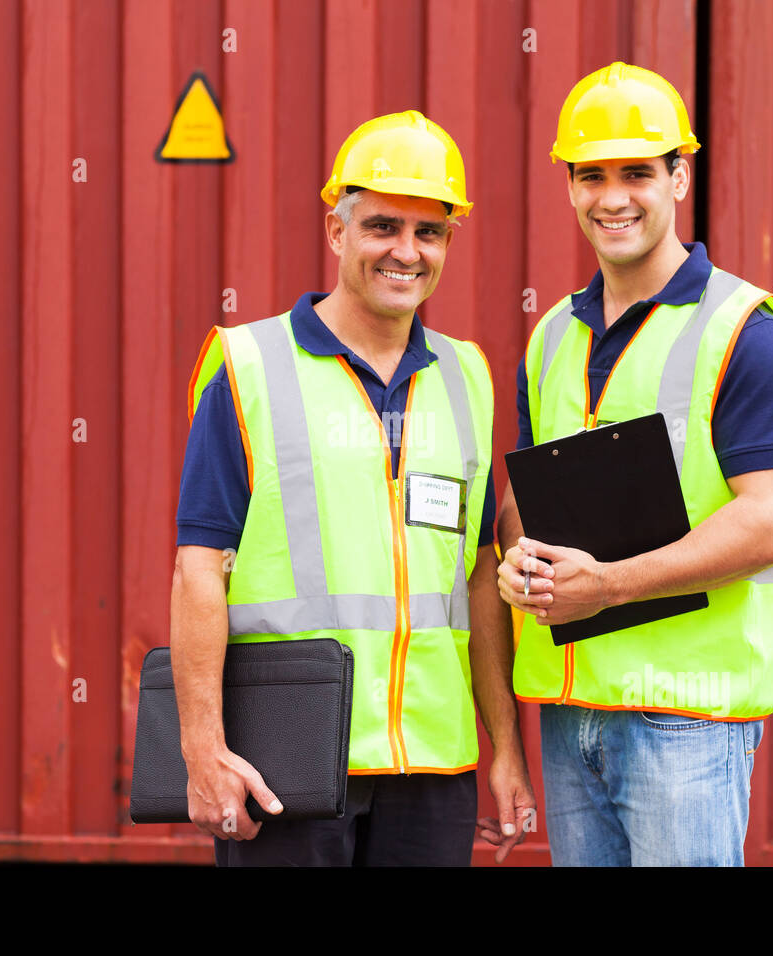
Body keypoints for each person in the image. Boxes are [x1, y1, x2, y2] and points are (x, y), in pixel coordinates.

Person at [173, 110, 534, 866]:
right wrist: (201, 751)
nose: (406, 252)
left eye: (428, 232)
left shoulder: (468, 377)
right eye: (382, 227)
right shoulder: (250, 366)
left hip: (432, 765)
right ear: (337, 232)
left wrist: (505, 748)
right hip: (288, 757)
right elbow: (199, 568)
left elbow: (477, 577)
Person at [494, 62, 773, 866]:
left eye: (638, 172)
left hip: (687, 722)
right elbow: (525, 502)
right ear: (568, 186)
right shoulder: (550, 339)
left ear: (679, 177)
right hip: (571, 712)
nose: (614, 197)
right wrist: (515, 558)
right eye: (592, 175)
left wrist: (609, 583)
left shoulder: (747, 329)